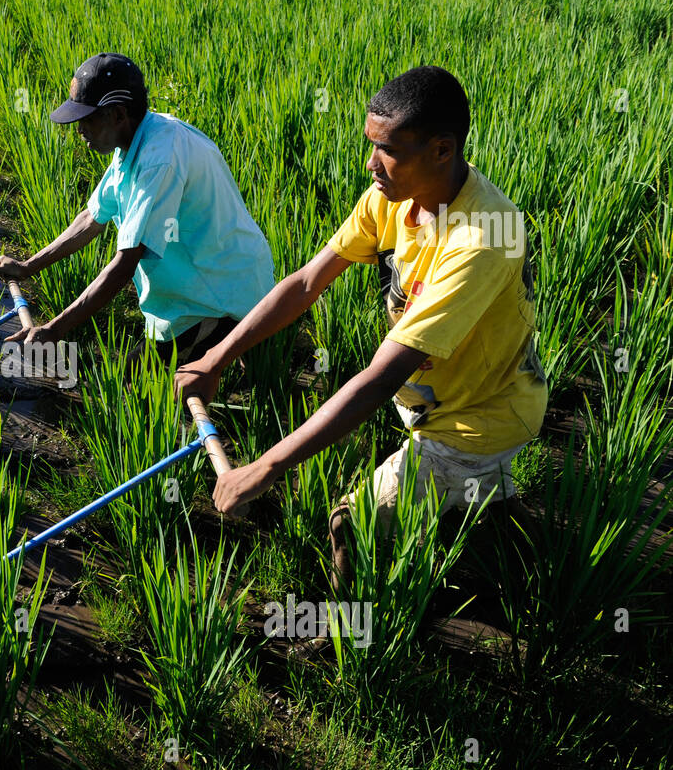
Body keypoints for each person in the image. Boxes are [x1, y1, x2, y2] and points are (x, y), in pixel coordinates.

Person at [174, 65, 548, 597]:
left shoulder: (484, 237)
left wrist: (265, 468)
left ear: (442, 150)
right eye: (370, 144)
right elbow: (306, 282)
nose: (371, 163)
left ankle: (346, 644)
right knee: (474, 492)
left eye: (388, 149)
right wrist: (216, 358)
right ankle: (514, 530)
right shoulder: (393, 197)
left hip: (478, 417)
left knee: (354, 522)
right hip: (435, 397)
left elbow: (378, 378)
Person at [0, 52, 274, 367]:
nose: (80, 130)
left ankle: (248, 351)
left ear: (118, 114)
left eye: (87, 119)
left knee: (137, 385)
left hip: (217, 296)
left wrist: (53, 330)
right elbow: (91, 218)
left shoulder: (160, 158)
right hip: (193, 286)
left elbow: (124, 265)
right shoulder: (134, 140)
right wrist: (28, 266)